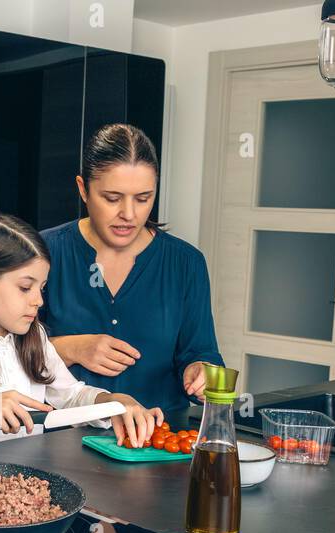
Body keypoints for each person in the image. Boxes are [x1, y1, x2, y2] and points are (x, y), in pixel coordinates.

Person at [0, 213, 163, 450]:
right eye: (25, 287)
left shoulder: (35, 338)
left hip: (28, 486)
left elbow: (71, 396)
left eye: (41, 288)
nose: (39, 301)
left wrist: (112, 401)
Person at [40, 124, 223, 427]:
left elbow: (203, 353)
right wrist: (72, 348)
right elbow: (3, 354)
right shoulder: (44, 253)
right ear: (83, 189)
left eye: (143, 198)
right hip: (63, 440)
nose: (129, 214)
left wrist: (202, 372)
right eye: (112, 198)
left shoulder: (186, 263)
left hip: (161, 443)